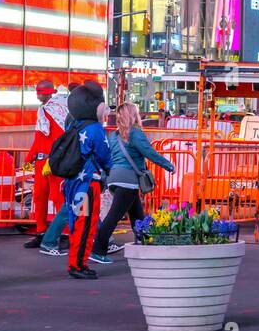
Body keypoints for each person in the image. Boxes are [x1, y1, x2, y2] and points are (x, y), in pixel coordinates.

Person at [88, 102, 175, 264]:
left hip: (115, 178)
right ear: (133, 115)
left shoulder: (113, 136)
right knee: (113, 217)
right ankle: (98, 250)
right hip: (128, 180)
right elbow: (149, 152)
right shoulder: (135, 134)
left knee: (137, 214)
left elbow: (109, 157)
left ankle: (143, 244)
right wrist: (168, 165)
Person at [61, 84, 112, 280]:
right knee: (86, 224)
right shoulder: (95, 129)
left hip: (73, 182)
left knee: (77, 223)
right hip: (89, 184)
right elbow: (105, 155)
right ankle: (78, 264)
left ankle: (76, 261)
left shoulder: (73, 125)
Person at [24, 80, 69, 249]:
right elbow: (39, 136)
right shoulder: (44, 109)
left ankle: (65, 234)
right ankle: (41, 232)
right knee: (40, 197)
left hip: (53, 160)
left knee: (58, 197)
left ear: (48, 92)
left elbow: (57, 136)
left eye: (40, 92)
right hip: (43, 160)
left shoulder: (55, 109)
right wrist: (31, 157)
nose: (38, 95)